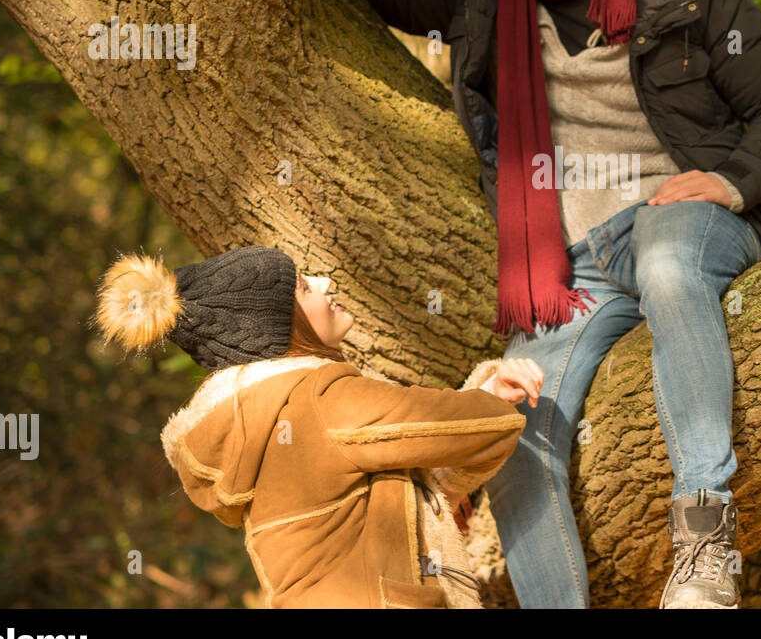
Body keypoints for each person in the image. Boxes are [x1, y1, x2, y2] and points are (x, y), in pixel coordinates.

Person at [316, 0, 761, 608]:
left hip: (682, 219)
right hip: (572, 263)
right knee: (511, 433)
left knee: (663, 255)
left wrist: (730, 183)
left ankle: (704, 541)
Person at [94, 244, 542, 608]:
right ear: (281, 325)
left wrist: (488, 398)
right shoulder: (315, 398)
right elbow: (469, 427)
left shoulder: (261, 414)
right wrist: (493, 394)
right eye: (305, 287)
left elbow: (416, 466)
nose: (327, 283)